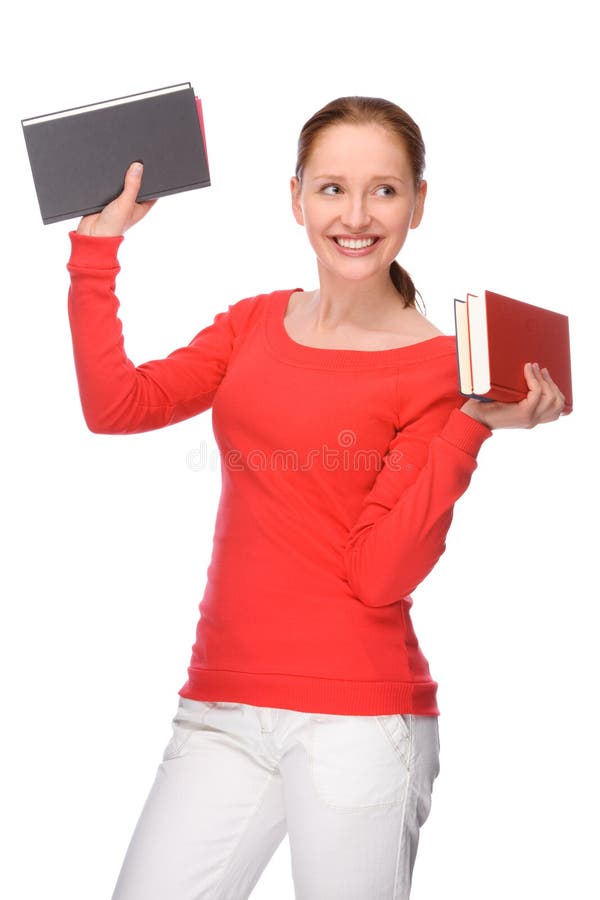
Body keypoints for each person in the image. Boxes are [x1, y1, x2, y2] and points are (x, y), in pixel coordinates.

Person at [66, 96, 566, 900]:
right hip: (222, 706)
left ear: (419, 203)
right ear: (295, 197)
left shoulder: (442, 369)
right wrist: (96, 252)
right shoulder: (252, 324)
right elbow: (117, 406)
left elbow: (380, 574)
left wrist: (469, 428)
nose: (357, 215)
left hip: (359, 723)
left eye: (385, 190)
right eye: (332, 188)